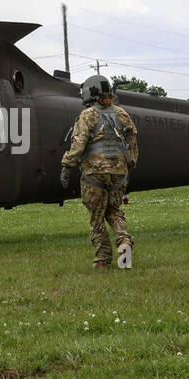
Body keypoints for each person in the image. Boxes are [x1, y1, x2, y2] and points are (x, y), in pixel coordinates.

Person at [60, 75, 139, 269]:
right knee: (114, 210)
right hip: (119, 172)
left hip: (94, 173)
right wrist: (130, 165)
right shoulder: (122, 114)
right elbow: (132, 142)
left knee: (97, 217)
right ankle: (123, 241)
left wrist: (67, 165)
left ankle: (103, 260)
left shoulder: (87, 115)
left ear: (89, 93)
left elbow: (78, 144)